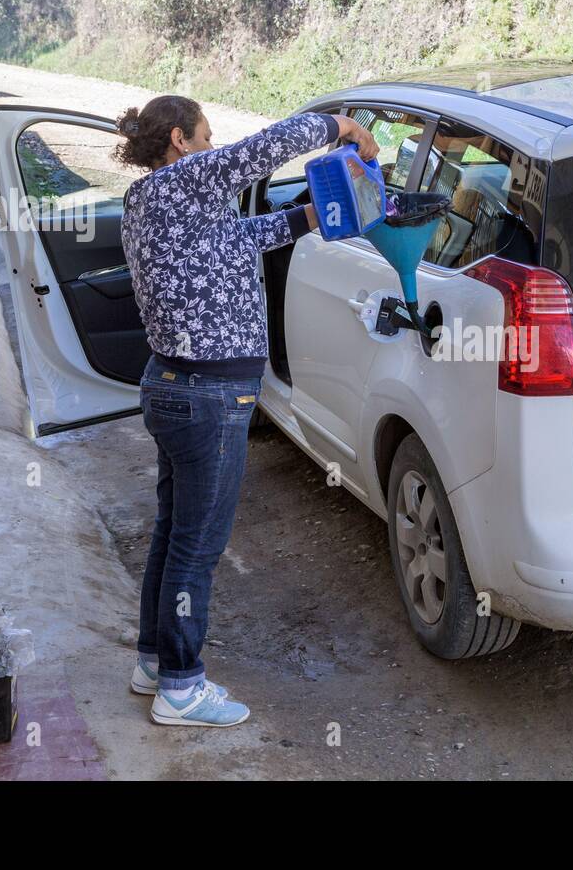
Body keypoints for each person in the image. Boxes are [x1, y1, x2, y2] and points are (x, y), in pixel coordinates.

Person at [112, 96, 378, 726]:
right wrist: (345, 128)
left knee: (175, 535)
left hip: (178, 388)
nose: (213, 147)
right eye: (206, 137)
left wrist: (311, 214)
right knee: (197, 548)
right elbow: (268, 148)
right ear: (180, 140)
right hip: (206, 397)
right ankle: (181, 687)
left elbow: (241, 238)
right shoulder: (183, 179)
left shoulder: (157, 202)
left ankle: (154, 662)